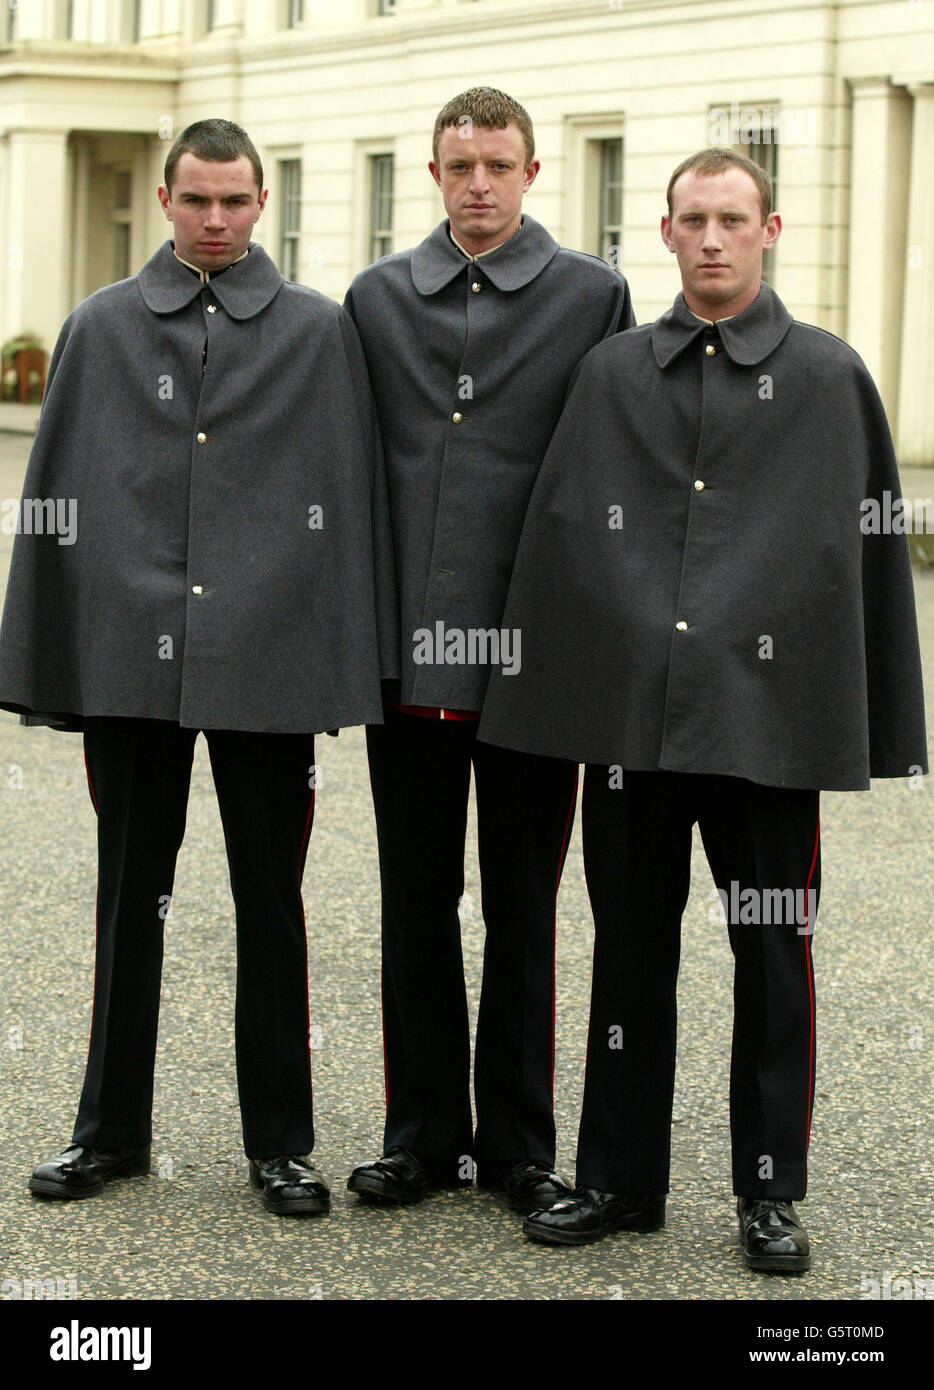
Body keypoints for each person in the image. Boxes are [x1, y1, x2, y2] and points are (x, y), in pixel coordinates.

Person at [477, 147, 927, 1267]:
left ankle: (769, 1192)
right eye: (694, 220)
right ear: (665, 234)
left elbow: (867, 565)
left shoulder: (829, 379)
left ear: (769, 231)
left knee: (772, 953)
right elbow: (561, 545)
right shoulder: (611, 372)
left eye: (734, 219)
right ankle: (619, 1180)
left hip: (766, 733)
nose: (714, 238)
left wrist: (869, 718)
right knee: (628, 954)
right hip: (631, 731)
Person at [0, 118, 396, 1216]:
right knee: (132, 899)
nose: (215, 220)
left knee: (270, 902)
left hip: (270, 665)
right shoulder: (99, 328)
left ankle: (280, 1143)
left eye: (234, 201)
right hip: (133, 666)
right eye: (196, 200)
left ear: (261, 203)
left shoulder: (320, 333)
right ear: (168, 200)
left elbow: (351, 507)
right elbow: (60, 498)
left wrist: (339, 659)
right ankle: (107, 1132)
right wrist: (58, 652)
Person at [342, 88, 633, 1212]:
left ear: (530, 172)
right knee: (416, 901)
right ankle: (419, 1136)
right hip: (406, 665)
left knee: (522, 904)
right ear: (432, 171)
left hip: (532, 671)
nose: (479, 184)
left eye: (498, 165)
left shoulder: (591, 297)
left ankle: (514, 1146)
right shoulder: (371, 301)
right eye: (459, 165)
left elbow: (615, 470)